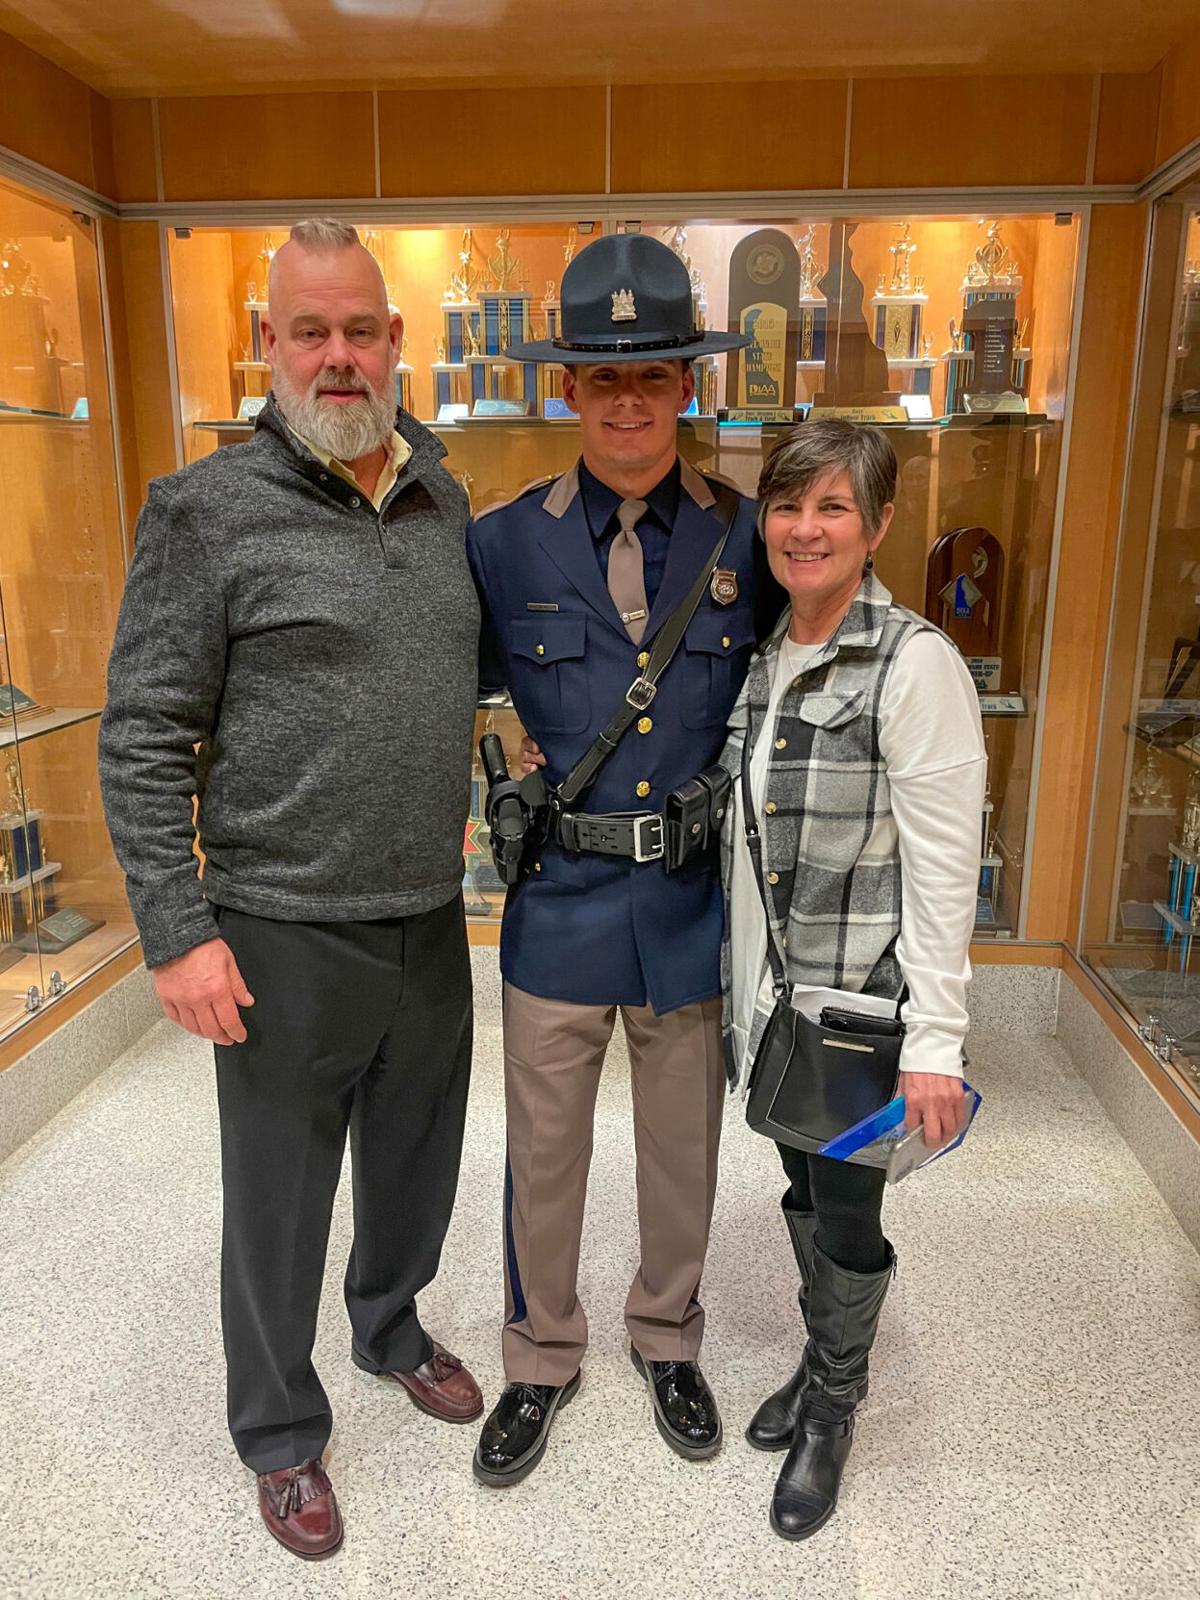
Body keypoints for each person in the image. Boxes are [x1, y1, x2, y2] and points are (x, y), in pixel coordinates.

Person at [99, 218, 482, 1560]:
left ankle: (389, 1327)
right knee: (278, 1197)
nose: (337, 355)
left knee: (417, 1167)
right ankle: (278, 1429)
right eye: (307, 330)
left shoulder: (444, 492)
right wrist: (177, 931)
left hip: (431, 919)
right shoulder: (205, 511)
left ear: (395, 342)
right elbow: (141, 732)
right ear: (267, 347)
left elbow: (454, 677)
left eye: (359, 329)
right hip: (275, 932)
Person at [465, 233, 783, 1486]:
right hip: (557, 902)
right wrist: (505, 770)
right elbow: (455, 685)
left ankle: (668, 1334)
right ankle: (541, 1356)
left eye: (654, 375)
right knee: (541, 1151)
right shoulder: (503, 544)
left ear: (688, 386)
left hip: (689, 905)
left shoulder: (750, 537)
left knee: (679, 1147)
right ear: (569, 392)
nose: (632, 401)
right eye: (606, 379)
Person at [721, 418, 985, 1541]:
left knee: (847, 1208)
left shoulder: (916, 662)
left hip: (863, 1011)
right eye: (788, 505)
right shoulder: (769, 651)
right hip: (782, 1003)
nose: (806, 527)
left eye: (834, 507)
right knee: (802, 1182)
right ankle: (822, 1357)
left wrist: (936, 1037)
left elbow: (942, 863)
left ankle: (835, 1401)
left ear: (878, 526)